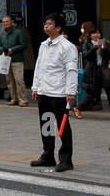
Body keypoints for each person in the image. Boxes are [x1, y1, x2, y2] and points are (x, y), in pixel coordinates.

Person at [30, 13, 78, 172]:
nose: (46, 25)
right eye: (45, 23)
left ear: (58, 28)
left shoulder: (67, 47)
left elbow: (71, 70)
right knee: (47, 124)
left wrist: (70, 91)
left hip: (59, 93)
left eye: (49, 23)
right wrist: (35, 87)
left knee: (62, 127)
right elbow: (39, 66)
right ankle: (48, 155)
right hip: (44, 91)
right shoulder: (44, 45)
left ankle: (66, 159)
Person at [82, 27, 110, 119]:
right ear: (90, 35)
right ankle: (78, 108)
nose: (96, 35)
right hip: (93, 71)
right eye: (93, 33)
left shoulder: (104, 43)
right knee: (94, 92)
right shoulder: (87, 44)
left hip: (105, 70)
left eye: (98, 33)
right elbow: (86, 56)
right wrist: (94, 49)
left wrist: (104, 49)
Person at [0, 15, 28, 107]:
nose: (5, 23)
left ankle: (22, 100)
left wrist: (12, 50)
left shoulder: (18, 32)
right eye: (3, 22)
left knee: (19, 80)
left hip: (17, 60)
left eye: (7, 21)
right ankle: (13, 99)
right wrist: (2, 49)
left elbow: (23, 45)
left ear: (11, 22)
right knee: (9, 81)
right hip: (5, 60)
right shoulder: (2, 34)